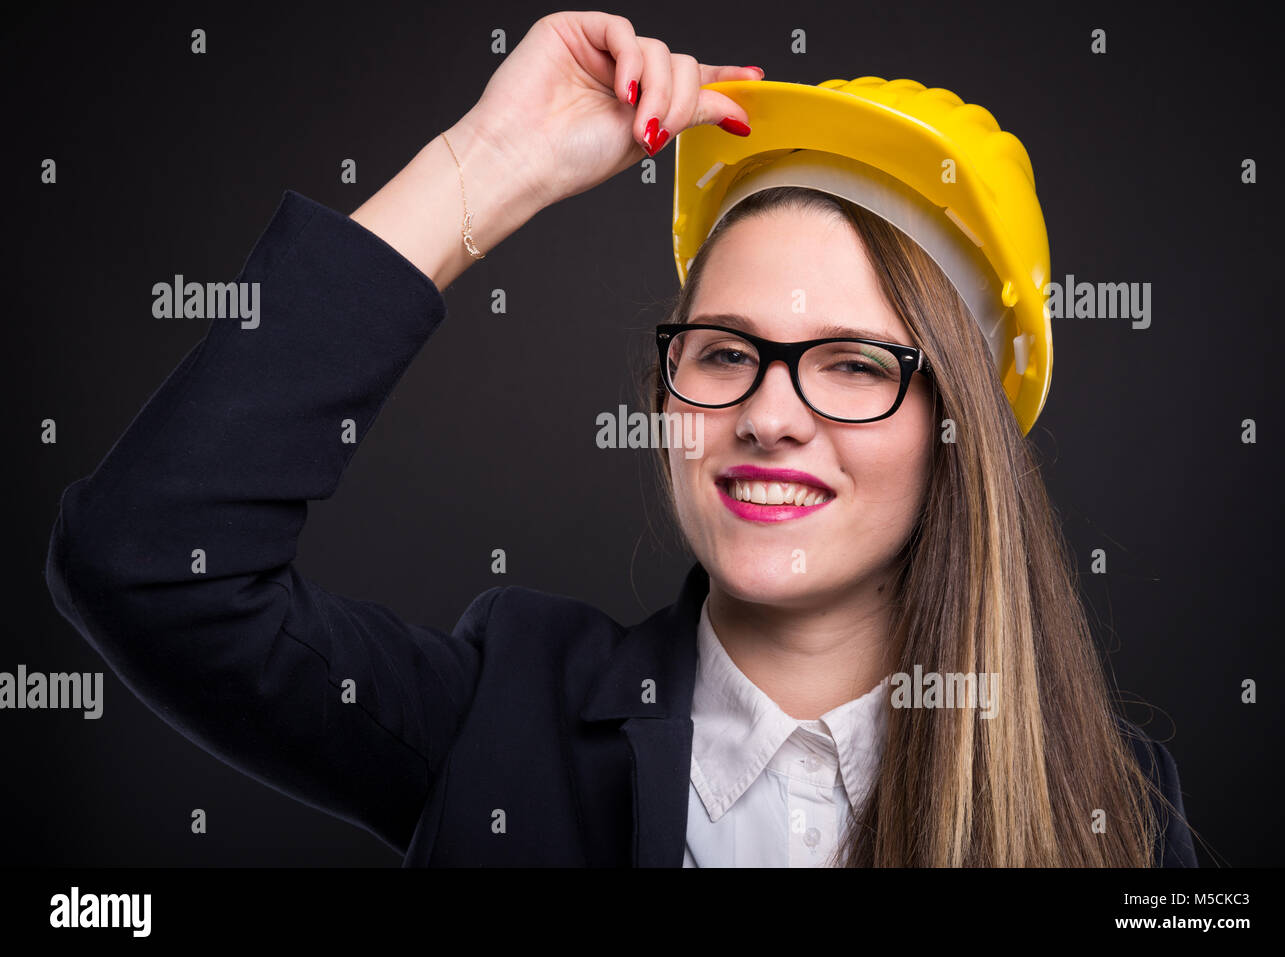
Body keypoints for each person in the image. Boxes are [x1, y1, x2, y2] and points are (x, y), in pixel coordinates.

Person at [44, 10, 1196, 866]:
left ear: (959, 437)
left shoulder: (1114, 810)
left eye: (852, 363)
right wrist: (486, 167)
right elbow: (149, 562)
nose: (768, 413)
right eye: (725, 351)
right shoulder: (500, 719)